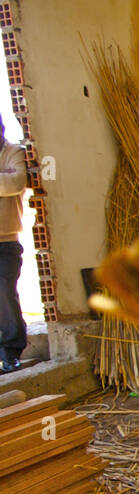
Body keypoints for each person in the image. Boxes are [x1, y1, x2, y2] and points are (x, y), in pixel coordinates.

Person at [0, 119, 28, 373]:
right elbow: (5, 183)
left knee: (4, 291)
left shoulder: (14, 152)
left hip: (6, 241)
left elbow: (16, 183)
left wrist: (7, 182)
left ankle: (11, 351)